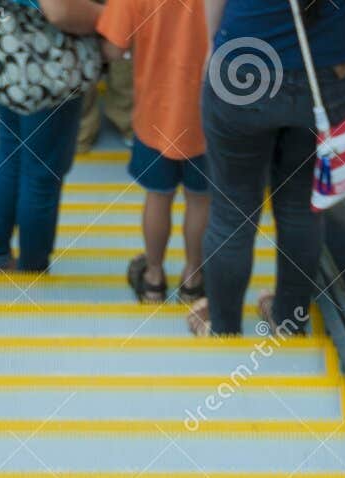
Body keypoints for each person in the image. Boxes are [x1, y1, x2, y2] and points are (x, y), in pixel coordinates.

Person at [197, 0, 345, 334]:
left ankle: (224, 330)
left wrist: (210, 45)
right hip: (330, 71)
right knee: (302, 208)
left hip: (244, 60)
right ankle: (288, 322)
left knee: (232, 212)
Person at [0, 0, 105, 272]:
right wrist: (118, 18)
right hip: (43, 48)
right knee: (42, 169)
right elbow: (59, 10)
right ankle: (32, 269)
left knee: (10, 150)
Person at [99, 0, 210, 304]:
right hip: (209, 118)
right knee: (200, 200)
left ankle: (153, 279)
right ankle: (193, 280)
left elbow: (112, 48)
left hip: (155, 115)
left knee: (158, 196)